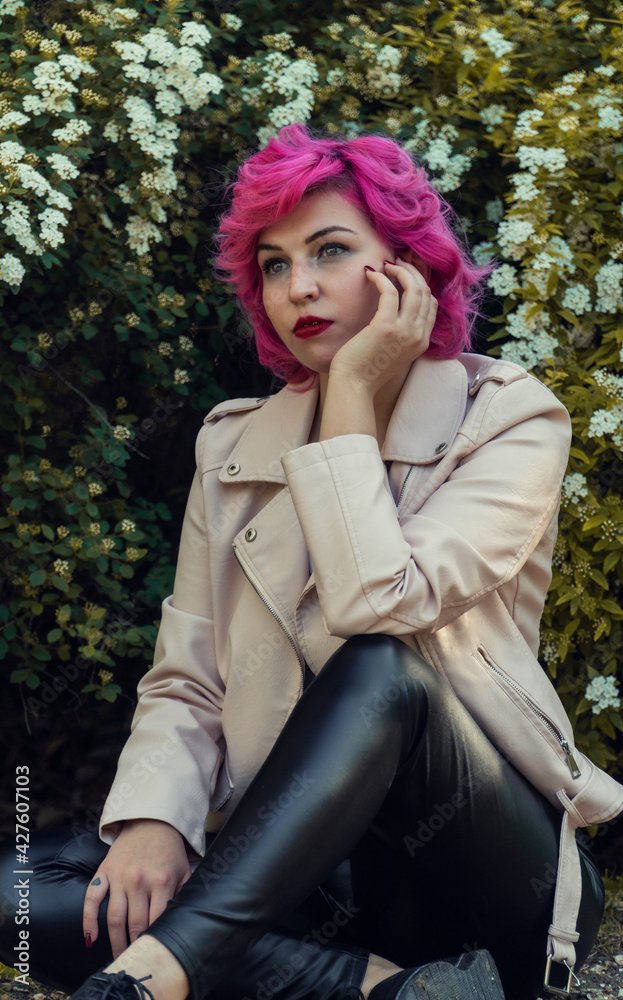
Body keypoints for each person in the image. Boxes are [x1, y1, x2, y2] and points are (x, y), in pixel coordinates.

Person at [1, 124, 620, 1000]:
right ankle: (379, 989)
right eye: (276, 263)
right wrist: (152, 821)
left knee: (382, 665)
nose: (301, 286)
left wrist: (353, 398)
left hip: (476, 878)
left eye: (331, 251)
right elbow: (187, 678)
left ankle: (158, 975)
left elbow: (380, 601)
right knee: (18, 900)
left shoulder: (510, 420)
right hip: (286, 881)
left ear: (406, 267)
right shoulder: (230, 446)